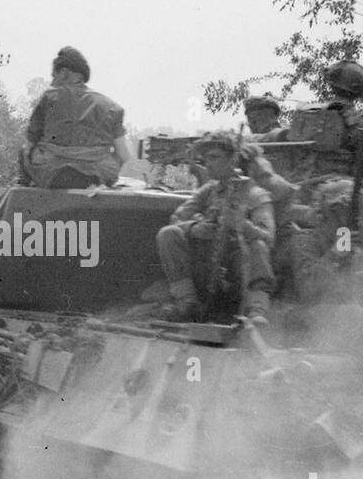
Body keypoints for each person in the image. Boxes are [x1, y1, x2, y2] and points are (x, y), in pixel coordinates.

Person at [155, 131, 276, 323]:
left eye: (214, 157)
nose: (208, 163)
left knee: (258, 246)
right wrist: (194, 228)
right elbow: (176, 218)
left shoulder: (255, 195)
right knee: (168, 234)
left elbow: (268, 238)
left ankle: (257, 310)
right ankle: (188, 303)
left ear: (233, 161)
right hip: (207, 266)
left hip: (238, 271)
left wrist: (241, 225)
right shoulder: (209, 191)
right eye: (205, 159)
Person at [18, 47, 132, 188]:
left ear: (64, 73)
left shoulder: (50, 98)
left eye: (54, 76)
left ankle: (20, 202)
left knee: (22, 152)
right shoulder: (113, 108)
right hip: (98, 177)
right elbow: (124, 155)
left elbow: (28, 146)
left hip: (52, 175)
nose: (52, 82)